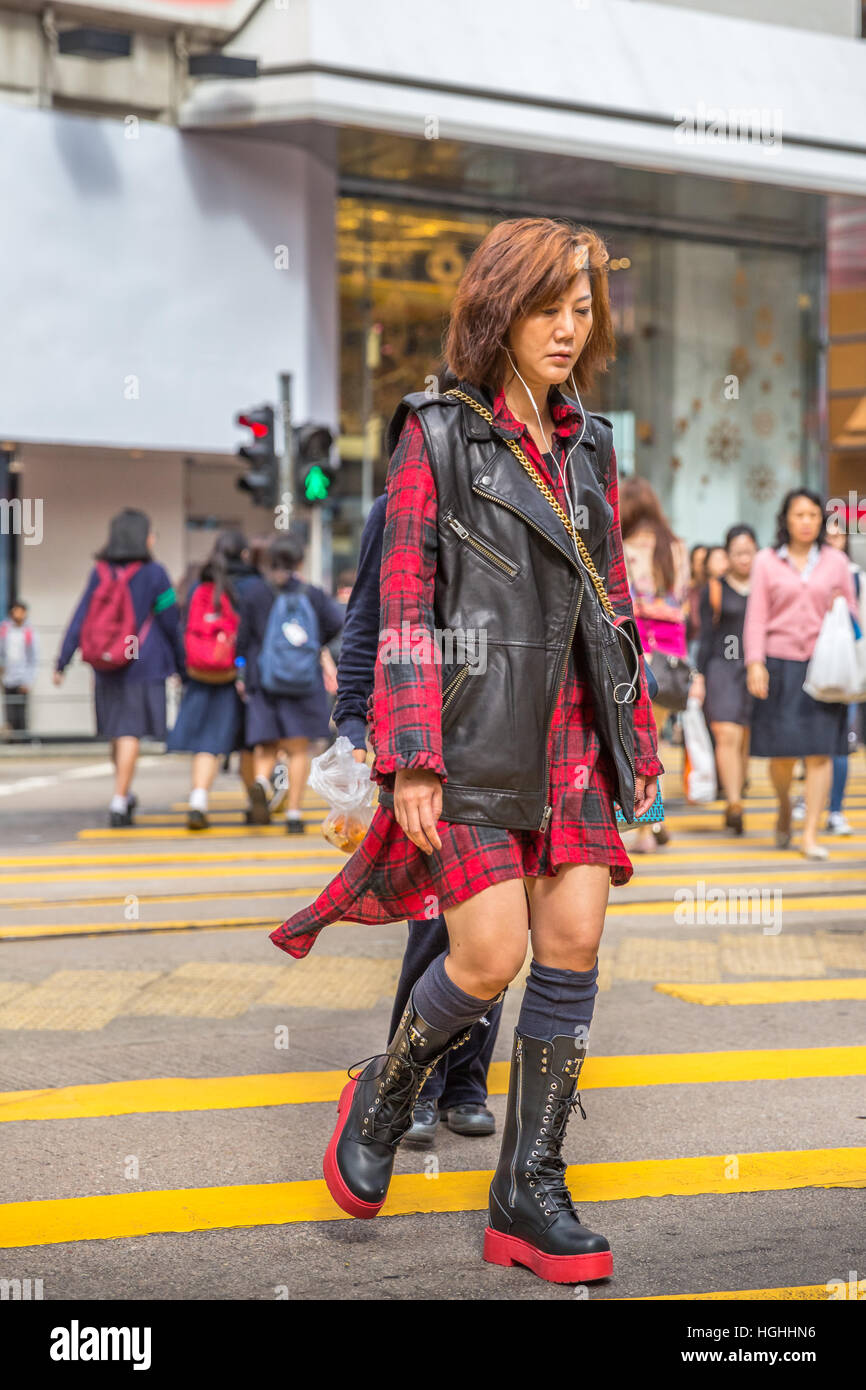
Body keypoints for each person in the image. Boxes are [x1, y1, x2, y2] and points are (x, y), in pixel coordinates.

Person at [269, 217, 662, 1285]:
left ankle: (527, 1191)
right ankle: (385, 1090)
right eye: (548, 305)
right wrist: (409, 754)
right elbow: (401, 604)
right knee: (487, 955)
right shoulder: (434, 432)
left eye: (581, 307)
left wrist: (637, 743)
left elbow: (612, 606)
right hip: (472, 728)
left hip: (571, 728)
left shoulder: (593, 440)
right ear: (499, 306)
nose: (568, 328)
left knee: (573, 938)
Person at [333, 490, 502, 1145]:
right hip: (418, 737)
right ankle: (420, 1082)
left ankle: (466, 1081)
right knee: (437, 918)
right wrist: (351, 717)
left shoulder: (511, 494)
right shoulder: (395, 508)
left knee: (493, 916)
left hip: (503, 737)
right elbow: (365, 617)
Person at [744, 489, 858, 860]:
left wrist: (844, 610)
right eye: (799, 515)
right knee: (781, 755)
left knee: (821, 752)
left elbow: (854, 619)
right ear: (786, 520)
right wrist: (754, 662)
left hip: (826, 667)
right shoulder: (766, 561)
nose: (807, 521)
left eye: (813, 515)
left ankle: (809, 833)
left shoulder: (835, 561)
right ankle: (782, 805)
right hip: (779, 664)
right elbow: (757, 615)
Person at [53, 508, 185, 826]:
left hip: (106, 663)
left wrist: (63, 659)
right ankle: (118, 799)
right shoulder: (155, 574)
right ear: (143, 537)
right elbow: (171, 623)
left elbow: (81, 614)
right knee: (129, 732)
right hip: (142, 662)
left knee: (118, 731)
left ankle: (122, 792)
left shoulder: (100, 572)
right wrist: (183, 665)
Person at [167, 529, 271, 830]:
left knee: (207, 744)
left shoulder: (200, 586)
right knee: (250, 744)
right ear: (243, 554)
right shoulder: (255, 586)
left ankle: (198, 802)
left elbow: (182, 629)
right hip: (247, 678)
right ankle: (255, 801)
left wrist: (183, 670)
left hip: (205, 675)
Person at [242, 535, 344, 833]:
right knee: (298, 749)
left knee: (266, 744)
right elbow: (336, 625)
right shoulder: (312, 594)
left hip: (264, 678)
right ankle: (295, 814)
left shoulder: (255, 594)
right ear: (299, 561)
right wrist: (311, 648)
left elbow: (243, 639)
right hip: (303, 679)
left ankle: (261, 782)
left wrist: (243, 672)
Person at [620, 476, 690, 852]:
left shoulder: (626, 549)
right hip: (674, 653)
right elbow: (684, 604)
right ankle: (657, 821)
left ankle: (645, 828)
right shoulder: (677, 549)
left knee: (641, 744)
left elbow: (623, 603)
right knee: (658, 742)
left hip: (640, 654)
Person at [691, 525, 757, 834]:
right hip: (721, 668)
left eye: (749, 551)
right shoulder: (715, 588)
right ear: (727, 556)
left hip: (756, 668)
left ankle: (738, 787)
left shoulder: (765, 586)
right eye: (738, 553)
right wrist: (699, 675)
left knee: (745, 736)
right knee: (726, 733)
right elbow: (705, 635)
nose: (744, 558)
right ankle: (734, 803)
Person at [823, 515, 864, 835]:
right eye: (829, 537)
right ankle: (805, 801)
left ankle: (835, 809)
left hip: (845, 668)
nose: (835, 542)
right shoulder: (809, 574)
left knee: (841, 742)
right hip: (811, 664)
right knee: (808, 740)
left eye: (840, 538)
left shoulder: (855, 577)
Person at [0, 599, 39, 735]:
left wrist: (29, 680)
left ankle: (22, 739)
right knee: (10, 712)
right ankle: (12, 740)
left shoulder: (29, 632)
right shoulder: (5, 629)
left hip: (22, 678)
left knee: (21, 713)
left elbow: (33, 659)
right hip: (8, 678)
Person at [685, 544, 708, 668]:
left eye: (705, 561)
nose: (702, 566)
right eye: (699, 562)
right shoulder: (687, 589)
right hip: (692, 643)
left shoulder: (714, 588)